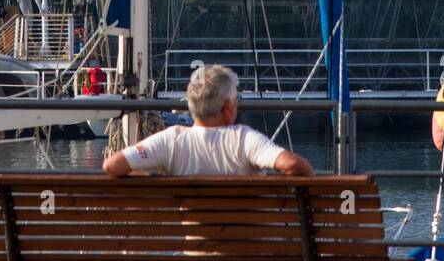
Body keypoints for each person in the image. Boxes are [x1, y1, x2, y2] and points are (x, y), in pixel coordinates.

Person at [103, 64, 313, 177]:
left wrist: (154, 182)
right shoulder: (244, 139)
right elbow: (296, 165)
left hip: (195, 253)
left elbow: (113, 166)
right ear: (228, 108)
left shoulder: (171, 140)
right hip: (249, 253)